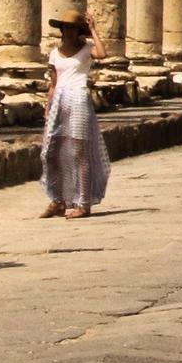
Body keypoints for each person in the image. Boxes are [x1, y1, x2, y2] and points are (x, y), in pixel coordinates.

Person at [40, 13, 109, 219]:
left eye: (73, 28)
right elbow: (54, 83)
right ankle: (58, 199)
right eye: (66, 27)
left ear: (79, 30)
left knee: (79, 152)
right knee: (52, 152)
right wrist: (48, 104)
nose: (69, 31)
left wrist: (93, 29)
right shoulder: (54, 53)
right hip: (59, 100)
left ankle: (83, 204)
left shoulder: (87, 49)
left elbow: (103, 54)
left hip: (78, 98)